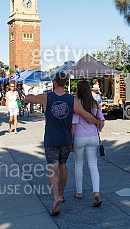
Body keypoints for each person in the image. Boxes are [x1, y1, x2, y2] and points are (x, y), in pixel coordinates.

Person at [23, 72, 103, 217]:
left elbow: (30, 99)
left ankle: (57, 197)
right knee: (63, 166)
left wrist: (25, 97)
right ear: (65, 83)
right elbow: (85, 115)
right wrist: (97, 122)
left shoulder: (46, 97)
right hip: (66, 140)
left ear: (54, 82)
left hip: (51, 139)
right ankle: (61, 193)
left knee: (52, 169)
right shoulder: (71, 100)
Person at [71, 80, 105, 207]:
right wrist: (98, 130)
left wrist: (72, 140)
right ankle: (96, 193)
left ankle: (79, 192)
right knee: (93, 165)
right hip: (93, 137)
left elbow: (73, 125)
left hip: (79, 137)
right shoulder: (95, 103)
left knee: (78, 164)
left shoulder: (77, 104)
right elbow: (101, 122)